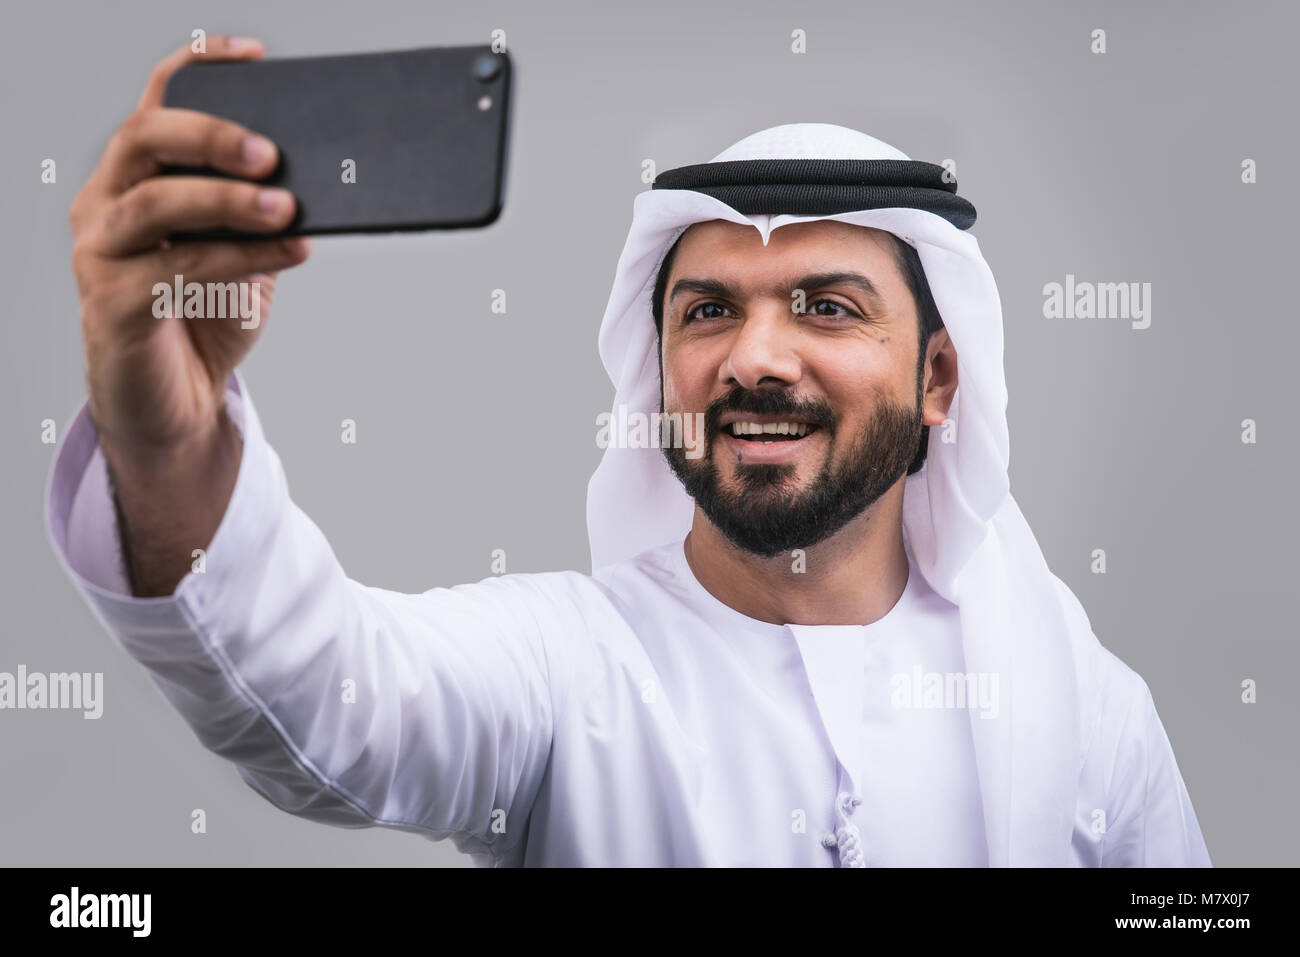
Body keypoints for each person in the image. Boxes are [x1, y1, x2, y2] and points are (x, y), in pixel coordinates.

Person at [47, 36, 1211, 867]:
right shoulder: (564, 671)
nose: (755, 357)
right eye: (706, 310)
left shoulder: (1084, 710)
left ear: (940, 380)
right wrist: (170, 430)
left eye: (826, 306)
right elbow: (313, 700)